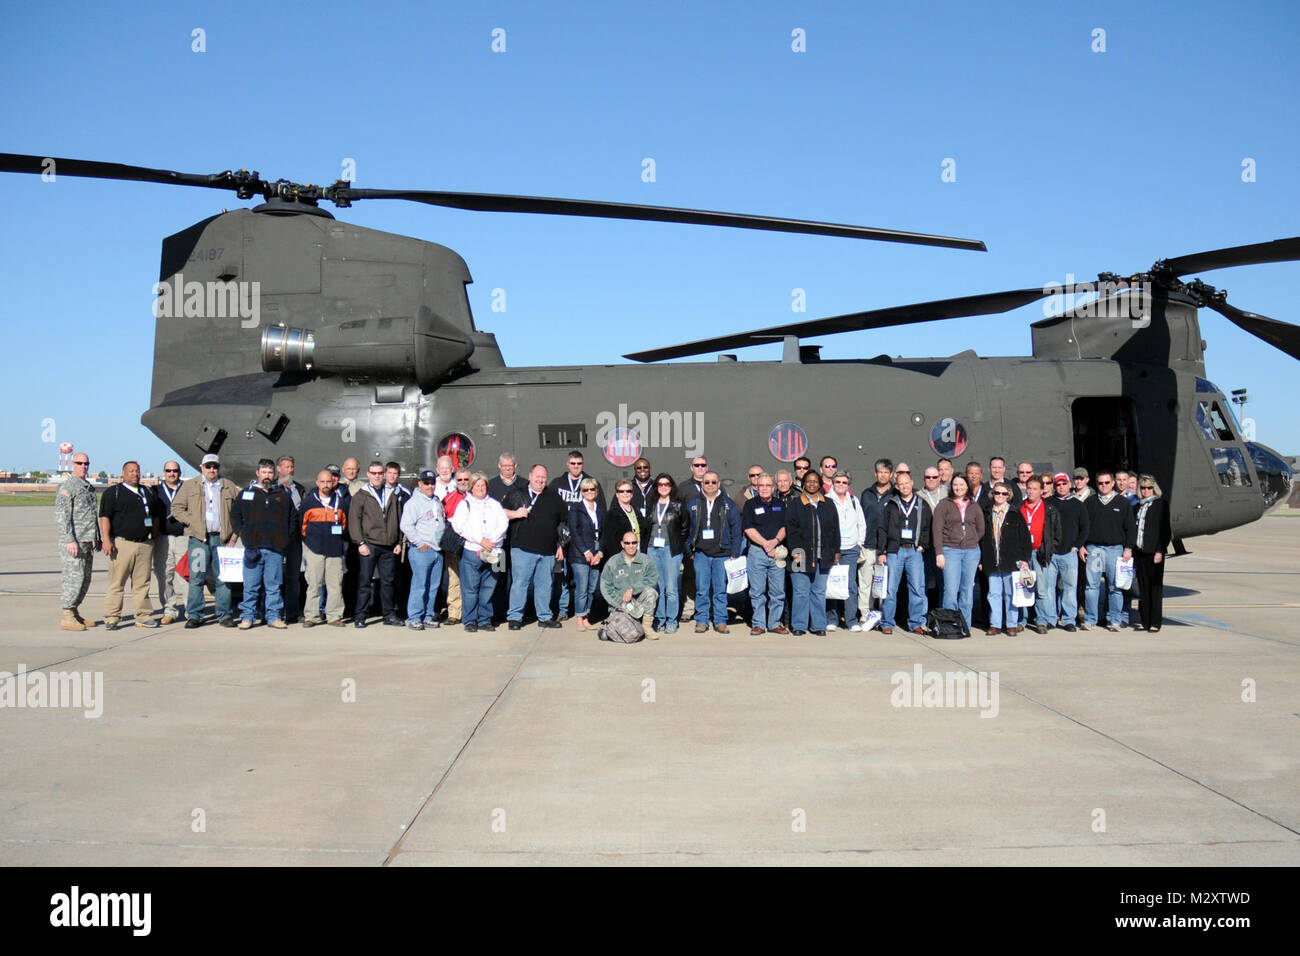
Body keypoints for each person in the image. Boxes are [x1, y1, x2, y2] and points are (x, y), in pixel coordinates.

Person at [171, 453, 240, 628]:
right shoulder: (189, 486)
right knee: (196, 578)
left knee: (223, 578)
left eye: (215, 467)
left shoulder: (228, 487)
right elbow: (176, 507)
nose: (212, 470)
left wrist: (234, 537)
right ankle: (195, 615)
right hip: (199, 540)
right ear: (202, 467)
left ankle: (224, 615)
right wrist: (192, 522)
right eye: (208, 466)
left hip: (222, 539)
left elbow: (240, 513)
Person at [231, 458, 296, 629]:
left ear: (274, 474)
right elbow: (235, 515)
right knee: (251, 586)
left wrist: (284, 539)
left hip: (275, 548)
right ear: (257, 473)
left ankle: (274, 616)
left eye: (270, 473)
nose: (267, 476)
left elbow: (292, 519)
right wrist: (243, 534)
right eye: (264, 472)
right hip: (253, 548)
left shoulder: (282, 496)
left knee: (273, 586)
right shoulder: (246, 494)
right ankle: (248, 617)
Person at [98, 460, 163, 630]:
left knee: (142, 583)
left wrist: (153, 537)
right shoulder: (114, 492)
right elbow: (104, 517)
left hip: (145, 544)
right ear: (124, 474)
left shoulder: (147, 491)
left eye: (137, 471)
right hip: (122, 544)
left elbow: (156, 516)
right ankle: (112, 617)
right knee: (117, 582)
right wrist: (106, 539)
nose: (135, 474)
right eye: (131, 471)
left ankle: (143, 615)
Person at [502, 465, 566, 630]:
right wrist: (515, 514)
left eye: (543, 477)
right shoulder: (517, 493)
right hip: (522, 548)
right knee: (520, 584)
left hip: (547, 550)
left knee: (545, 585)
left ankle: (544, 616)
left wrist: (561, 544)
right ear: (530, 476)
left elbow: (563, 523)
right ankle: (515, 617)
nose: (540, 480)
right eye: (537, 476)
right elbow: (500, 512)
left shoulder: (554, 497)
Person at [683, 471, 743, 634]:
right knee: (701, 589)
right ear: (702, 484)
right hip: (701, 554)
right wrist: (690, 551)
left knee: (719, 589)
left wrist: (734, 552)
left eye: (713, 482)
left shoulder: (728, 504)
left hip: (722, 554)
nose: (710, 485)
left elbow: (736, 530)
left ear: (719, 484)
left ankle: (720, 620)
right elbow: (686, 529)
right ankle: (702, 620)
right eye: (706, 482)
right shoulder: (693, 504)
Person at [349, 460, 405, 628]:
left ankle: (388, 614)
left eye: (380, 473)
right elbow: (354, 520)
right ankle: (360, 615)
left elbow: (399, 518)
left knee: (388, 582)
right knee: (365, 582)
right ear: (368, 474)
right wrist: (360, 542)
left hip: (389, 545)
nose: (377, 476)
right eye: (374, 473)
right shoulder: (361, 495)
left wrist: (399, 541)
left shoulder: (392, 494)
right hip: (369, 544)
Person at [451, 473, 509, 632]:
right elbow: (460, 526)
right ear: (472, 487)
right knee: (470, 588)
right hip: (473, 551)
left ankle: (485, 619)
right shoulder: (465, 505)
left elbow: (503, 522)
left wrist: (492, 540)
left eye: (483, 486)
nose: (480, 488)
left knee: (489, 587)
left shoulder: (494, 504)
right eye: (477, 486)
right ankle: (470, 620)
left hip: (493, 551)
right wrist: (480, 540)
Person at [785, 470, 839, 636]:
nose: (812, 484)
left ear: (820, 484)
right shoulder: (796, 504)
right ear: (803, 483)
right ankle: (799, 625)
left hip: (823, 555)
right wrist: (795, 551)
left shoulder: (828, 503)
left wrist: (836, 551)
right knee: (801, 592)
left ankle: (818, 626)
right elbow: (791, 530)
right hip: (800, 554)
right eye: (809, 481)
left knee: (819, 592)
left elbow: (835, 530)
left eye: (815, 481)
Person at [878, 466, 932, 635]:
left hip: (914, 551)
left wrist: (923, 544)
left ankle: (916, 622)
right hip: (895, 551)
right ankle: (887, 622)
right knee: (890, 589)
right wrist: (882, 551)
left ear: (912, 483)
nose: (904, 486)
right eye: (900, 484)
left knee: (916, 588)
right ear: (897, 486)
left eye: (906, 483)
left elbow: (927, 527)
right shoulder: (891, 505)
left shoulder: (922, 504)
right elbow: (882, 529)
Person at [552, 451, 605, 620]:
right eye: (573, 463)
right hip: (564, 538)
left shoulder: (591, 483)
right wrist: (558, 542)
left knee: (585, 583)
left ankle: (584, 614)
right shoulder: (557, 483)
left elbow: (601, 511)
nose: (576, 466)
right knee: (564, 576)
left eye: (579, 463)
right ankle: (562, 610)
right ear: (567, 464)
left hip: (584, 540)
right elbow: (551, 513)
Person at [1082, 471, 1136, 632]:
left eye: (1107, 482)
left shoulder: (1123, 503)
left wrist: (1128, 548)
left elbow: (1130, 528)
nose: (1103, 486)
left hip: (1115, 548)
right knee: (1092, 586)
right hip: (1094, 548)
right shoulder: (1090, 502)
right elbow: (1084, 526)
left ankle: (1114, 620)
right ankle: (1090, 619)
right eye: (1100, 483)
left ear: (1113, 483)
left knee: (1115, 587)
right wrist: (1083, 545)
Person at [932, 474, 985, 630]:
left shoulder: (974, 505)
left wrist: (971, 539)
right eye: (955, 484)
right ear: (951, 486)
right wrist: (939, 552)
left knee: (967, 590)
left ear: (967, 486)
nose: (958, 487)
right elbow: (937, 529)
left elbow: (981, 529)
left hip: (971, 552)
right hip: (950, 551)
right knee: (950, 589)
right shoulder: (944, 504)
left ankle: (964, 624)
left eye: (962, 484)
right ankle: (949, 625)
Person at [300, 468, 350, 628]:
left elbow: (345, 525)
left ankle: (334, 616)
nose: (326, 484)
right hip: (314, 549)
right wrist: (309, 542)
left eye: (329, 481)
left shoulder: (340, 501)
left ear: (333, 482)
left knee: (335, 584)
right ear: (317, 483)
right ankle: (311, 616)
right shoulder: (308, 502)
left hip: (334, 549)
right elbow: (302, 526)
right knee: (314, 584)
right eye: (322, 481)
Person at [56, 451, 100, 631]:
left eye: (86, 464)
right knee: (74, 578)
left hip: (87, 540)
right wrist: (70, 540)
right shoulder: (68, 487)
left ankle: (74, 611)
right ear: (72, 465)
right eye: (80, 463)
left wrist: (97, 537)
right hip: (74, 541)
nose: (83, 466)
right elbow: (62, 516)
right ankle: (67, 614)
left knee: (85, 578)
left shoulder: (88, 487)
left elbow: (92, 515)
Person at [981, 482, 1032, 636]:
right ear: (993, 494)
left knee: (1011, 594)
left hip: (1011, 560)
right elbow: (982, 539)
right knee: (993, 594)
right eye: (997, 493)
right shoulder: (987, 513)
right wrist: (982, 560)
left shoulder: (1015, 514)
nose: (1000, 496)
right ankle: (995, 624)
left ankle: (1011, 624)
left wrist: (1024, 559)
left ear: (1008, 495)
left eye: (1004, 494)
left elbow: (1025, 539)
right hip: (992, 560)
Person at [742, 472, 788, 635]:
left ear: (773, 487)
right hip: (757, 552)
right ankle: (759, 624)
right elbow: (748, 528)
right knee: (757, 591)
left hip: (777, 552)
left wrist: (774, 542)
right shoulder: (750, 505)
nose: (764, 488)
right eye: (761, 485)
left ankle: (775, 623)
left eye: (768, 485)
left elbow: (785, 527)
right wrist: (765, 544)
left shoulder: (780, 504)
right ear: (757, 487)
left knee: (777, 592)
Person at [399, 470, 445, 631]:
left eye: (432, 483)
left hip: (437, 550)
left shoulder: (436, 500)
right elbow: (405, 525)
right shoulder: (414, 503)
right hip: (422, 551)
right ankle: (414, 617)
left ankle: (427, 616)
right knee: (419, 585)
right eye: (426, 483)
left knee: (433, 586)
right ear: (420, 484)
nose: (430, 486)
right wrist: (419, 543)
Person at [645, 473, 687, 635]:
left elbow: (684, 529)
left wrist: (677, 545)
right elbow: (646, 527)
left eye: (666, 484)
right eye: (660, 484)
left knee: (671, 588)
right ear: (656, 487)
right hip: (652, 549)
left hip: (671, 550)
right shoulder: (651, 504)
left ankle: (671, 621)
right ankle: (659, 619)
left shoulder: (678, 505)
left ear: (671, 486)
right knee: (657, 587)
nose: (663, 487)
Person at [598, 532, 660, 640]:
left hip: (638, 601)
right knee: (629, 635)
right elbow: (605, 586)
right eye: (627, 543)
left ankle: (647, 627)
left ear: (637, 543)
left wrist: (633, 589)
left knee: (651, 592)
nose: (631, 546)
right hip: (620, 605)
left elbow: (652, 578)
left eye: (634, 543)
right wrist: (619, 602)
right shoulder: (613, 562)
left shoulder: (645, 560)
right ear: (622, 544)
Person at [827, 471, 867, 631]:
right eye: (838, 482)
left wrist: (859, 543)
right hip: (832, 549)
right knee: (833, 583)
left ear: (848, 484)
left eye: (844, 482)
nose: (841, 485)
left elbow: (861, 523)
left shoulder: (853, 500)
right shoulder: (827, 500)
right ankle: (832, 619)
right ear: (833, 482)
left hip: (850, 549)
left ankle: (851, 620)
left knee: (850, 584)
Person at [566, 477, 606, 631]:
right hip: (579, 554)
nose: (589, 492)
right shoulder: (576, 508)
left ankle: (587, 616)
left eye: (592, 489)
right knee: (581, 587)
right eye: (586, 490)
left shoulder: (600, 510)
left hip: (596, 553)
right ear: (581, 492)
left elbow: (603, 534)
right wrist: (586, 551)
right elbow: (574, 532)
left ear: (596, 491)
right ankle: (580, 616)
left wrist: (599, 552)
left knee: (591, 588)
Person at [151, 460, 188, 625]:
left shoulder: (187, 489)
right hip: (162, 538)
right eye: (168, 470)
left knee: (186, 576)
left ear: (179, 472)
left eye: (175, 470)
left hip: (183, 537)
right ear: (163, 472)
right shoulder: (155, 491)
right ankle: (169, 610)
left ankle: (191, 610)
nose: (171, 473)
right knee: (164, 576)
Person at [1132, 475, 1170, 633]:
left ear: (1154, 489)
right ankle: (1144, 620)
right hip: (1140, 552)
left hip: (1154, 552)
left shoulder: (1160, 505)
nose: (1146, 491)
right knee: (1143, 588)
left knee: (1155, 588)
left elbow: (1165, 530)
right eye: (1143, 488)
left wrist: (1160, 550)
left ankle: (1155, 622)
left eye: (1149, 488)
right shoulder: (1138, 506)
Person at [275, 455, 307, 623]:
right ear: (279, 469)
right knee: (273, 576)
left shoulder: (299, 489)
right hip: (277, 537)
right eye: (286, 467)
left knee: (293, 577)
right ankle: (273, 612)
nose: (290, 470)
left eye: (291, 467)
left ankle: (293, 612)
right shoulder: (272, 488)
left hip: (295, 538)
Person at [603, 479, 649, 555]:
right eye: (622, 491)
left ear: (632, 494)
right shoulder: (612, 514)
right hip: (622, 556)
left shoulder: (637, 512)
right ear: (617, 494)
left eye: (628, 491)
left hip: (639, 553)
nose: (625, 494)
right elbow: (609, 541)